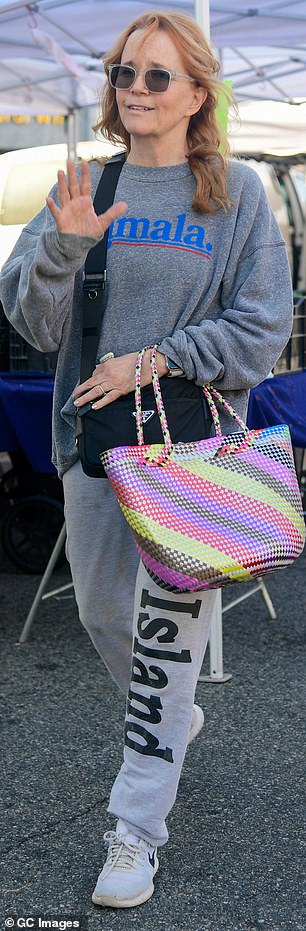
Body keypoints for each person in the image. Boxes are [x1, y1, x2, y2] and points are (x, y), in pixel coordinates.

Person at [0, 9, 293, 911]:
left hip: (191, 452)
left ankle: (136, 830)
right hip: (94, 449)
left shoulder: (235, 194)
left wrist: (153, 357)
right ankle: (166, 716)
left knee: (166, 644)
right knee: (100, 614)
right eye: (124, 72)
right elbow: (36, 325)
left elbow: (260, 330)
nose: (134, 88)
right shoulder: (84, 183)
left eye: (157, 76)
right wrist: (63, 243)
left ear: (198, 93)